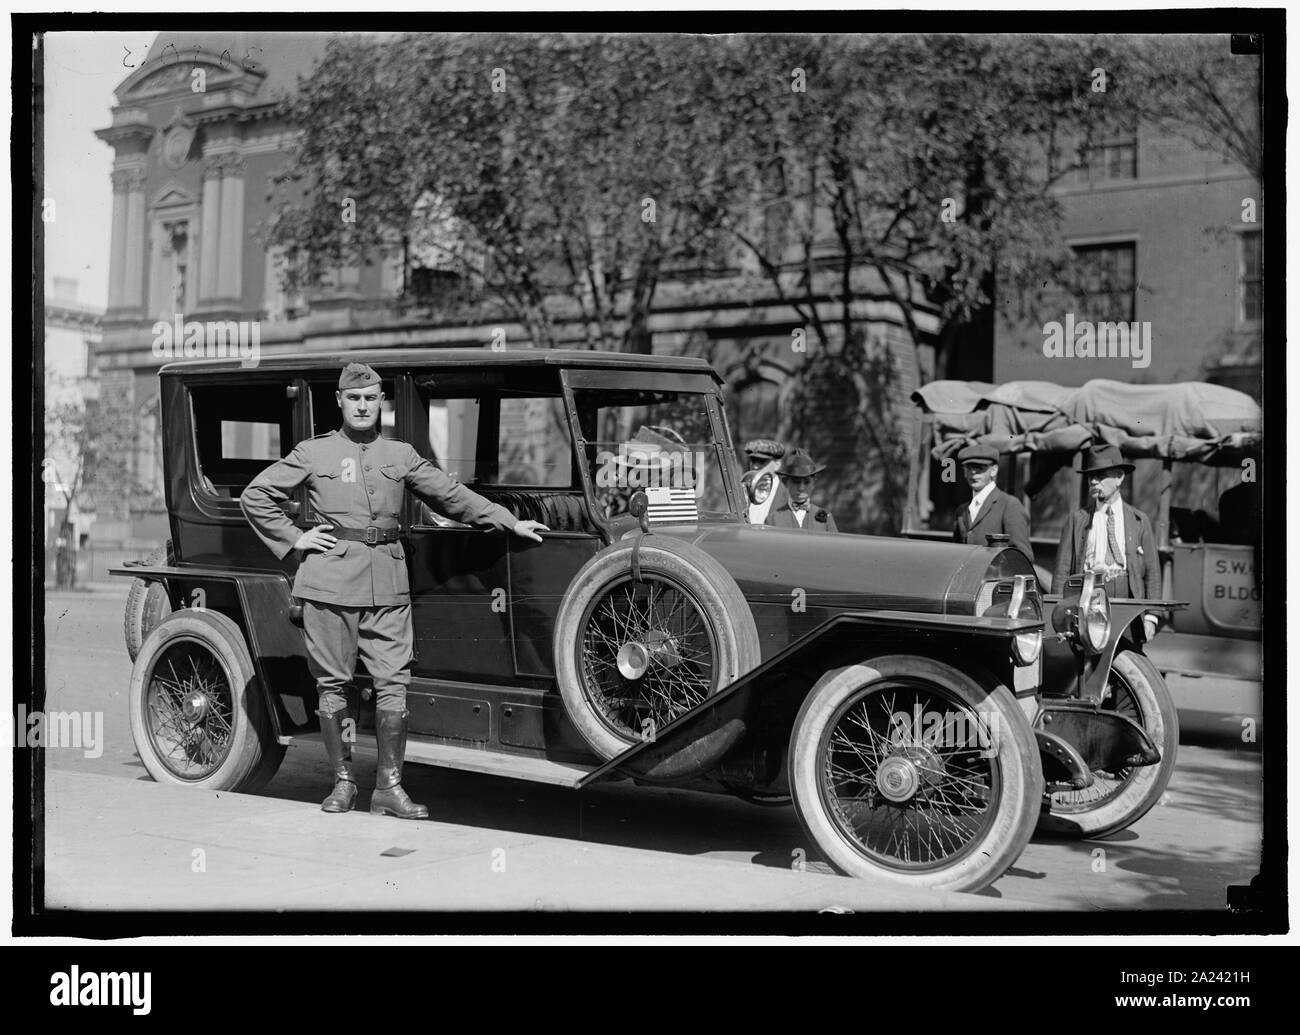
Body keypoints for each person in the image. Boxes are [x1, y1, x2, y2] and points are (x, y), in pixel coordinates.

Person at [240, 363, 548, 819]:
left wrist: (508, 520)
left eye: (371, 398)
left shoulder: (401, 454)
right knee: (333, 687)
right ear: (340, 402)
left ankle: (389, 787)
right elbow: (256, 495)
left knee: (394, 686)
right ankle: (343, 782)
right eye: (355, 399)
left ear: (381, 401)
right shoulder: (313, 453)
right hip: (328, 585)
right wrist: (294, 539)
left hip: (388, 586)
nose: (363, 406)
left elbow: (451, 495)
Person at [1052, 443, 1160, 639]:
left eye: (1100, 476)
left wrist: (1151, 616)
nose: (1093, 482)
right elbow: (1062, 571)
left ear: (1119, 477)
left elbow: (1151, 571)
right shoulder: (1078, 519)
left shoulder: (1138, 520)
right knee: (1088, 658)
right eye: (1090, 477)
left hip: (1127, 603)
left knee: (1126, 657)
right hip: (1087, 600)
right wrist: (1058, 614)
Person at [952, 442, 1032, 561]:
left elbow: (1023, 557)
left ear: (993, 470)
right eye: (969, 467)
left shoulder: (1009, 505)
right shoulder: (961, 510)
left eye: (980, 467)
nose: (973, 472)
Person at [765, 447, 838, 532]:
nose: (801, 488)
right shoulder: (773, 518)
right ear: (785, 483)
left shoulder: (825, 517)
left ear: (813, 483)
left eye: (806, 482)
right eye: (796, 482)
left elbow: (834, 544)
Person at [741, 438, 788, 524]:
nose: (755, 466)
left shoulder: (788, 499)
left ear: (777, 464)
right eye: (753, 461)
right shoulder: (741, 492)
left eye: (762, 461)